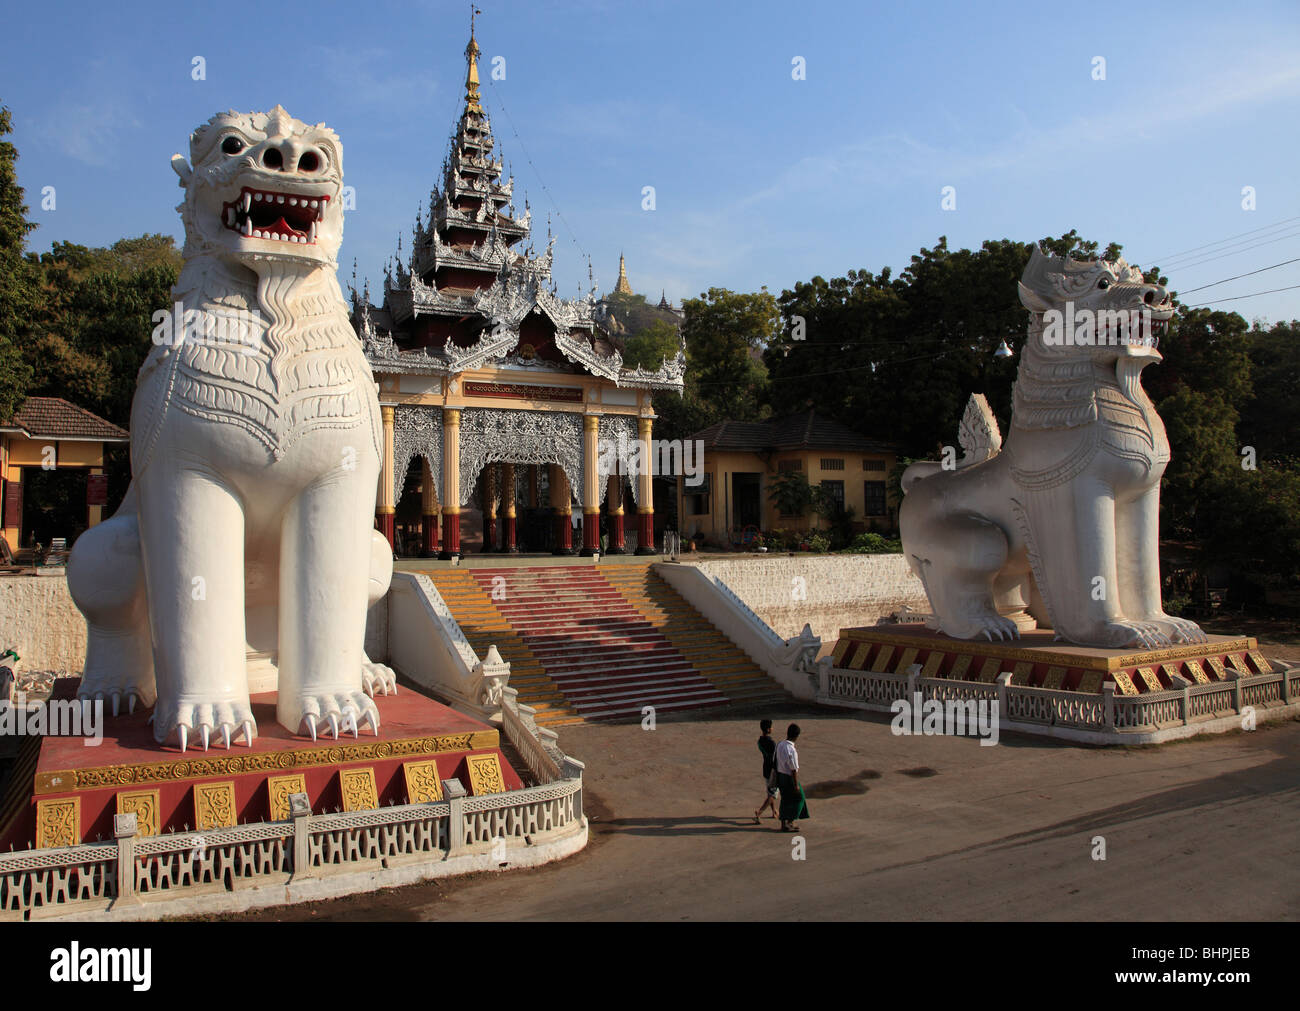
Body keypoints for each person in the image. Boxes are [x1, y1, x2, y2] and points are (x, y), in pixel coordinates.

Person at [775, 723, 808, 832]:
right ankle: (790, 821)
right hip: (789, 777)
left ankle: (784, 823)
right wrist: (796, 785)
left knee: (785, 799)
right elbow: (793, 769)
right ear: (796, 736)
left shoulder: (780, 744)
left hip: (780, 776)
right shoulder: (791, 750)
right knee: (799, 798)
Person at [754, 719, 779, 823]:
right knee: (772, 794)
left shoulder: (760, 741)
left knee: (770, 791)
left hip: (766, 768)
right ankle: (759, 812)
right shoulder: (771, 743)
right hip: (773, 770)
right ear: (769, 729)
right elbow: (776, 758)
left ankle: (774, 811)